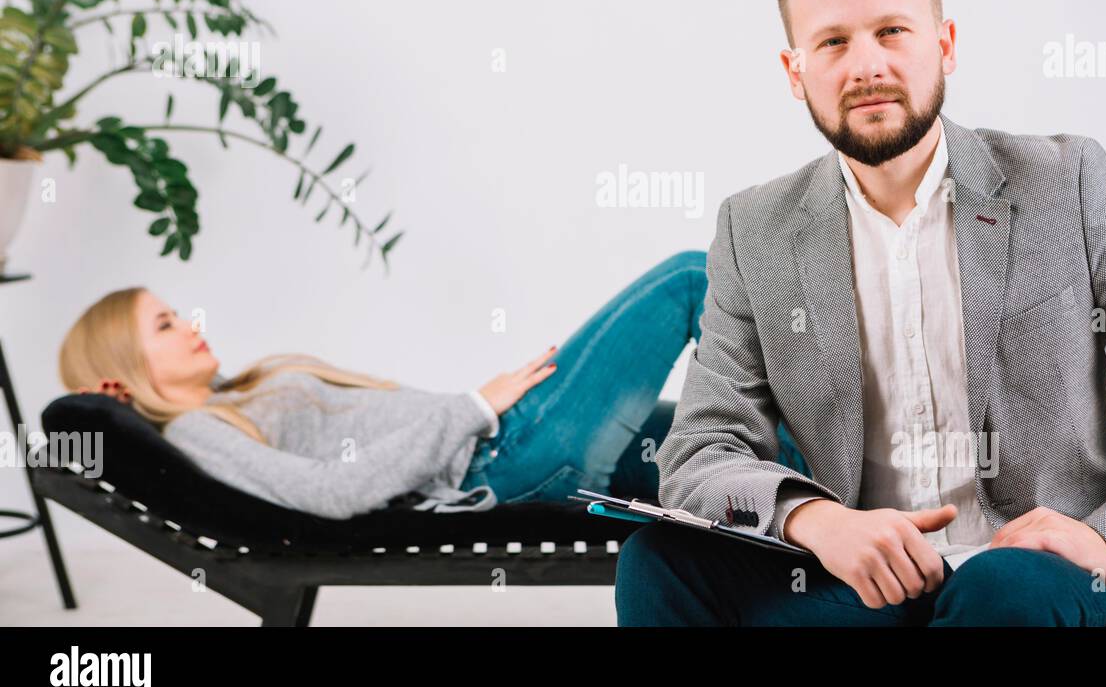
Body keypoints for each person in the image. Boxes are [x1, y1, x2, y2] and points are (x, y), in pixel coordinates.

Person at [613, 0, 1106, 626]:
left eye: (892, 31)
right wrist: (813, 520)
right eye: (833, 42)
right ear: (797, 71)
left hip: (1042, 577)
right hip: (863, 585)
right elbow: (699, 451)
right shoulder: (753, 229)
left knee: (1000, 591)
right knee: (659, 560)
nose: (866, 65)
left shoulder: (1064, 184)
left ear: (944, 46)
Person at [57, 252, 813, 521]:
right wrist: (477, 408)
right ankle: (834, 382)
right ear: (121, 374)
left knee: (714, 445)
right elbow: (328, 494)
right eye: (162, 327)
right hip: (501, 458)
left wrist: (483, 408)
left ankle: (871, 497)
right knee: (689, 278)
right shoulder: (198, 433)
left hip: (499, 439)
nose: (187, 325)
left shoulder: (234, 398)